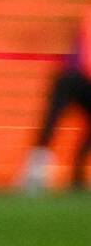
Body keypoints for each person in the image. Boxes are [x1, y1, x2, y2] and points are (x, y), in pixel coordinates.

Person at [21, 11, 91, 191]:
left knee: (52, 122)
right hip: (75, 78)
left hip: (78, 78)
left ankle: (77, 177)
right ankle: (36, 171)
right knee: (51, 122)